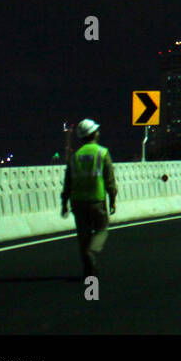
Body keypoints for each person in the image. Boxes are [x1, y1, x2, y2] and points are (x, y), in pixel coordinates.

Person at [61, 119, 117, 279]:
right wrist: (112, 199)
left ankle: (88, 268)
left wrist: (64, 204)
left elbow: (67, 183)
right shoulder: (102, 152)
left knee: (83, 235)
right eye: (96, 131)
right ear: (93, 134)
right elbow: (110, 180)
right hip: (96, 200)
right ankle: (92, 252)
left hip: (77, 202)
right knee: (101, 229)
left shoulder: (75, 156)